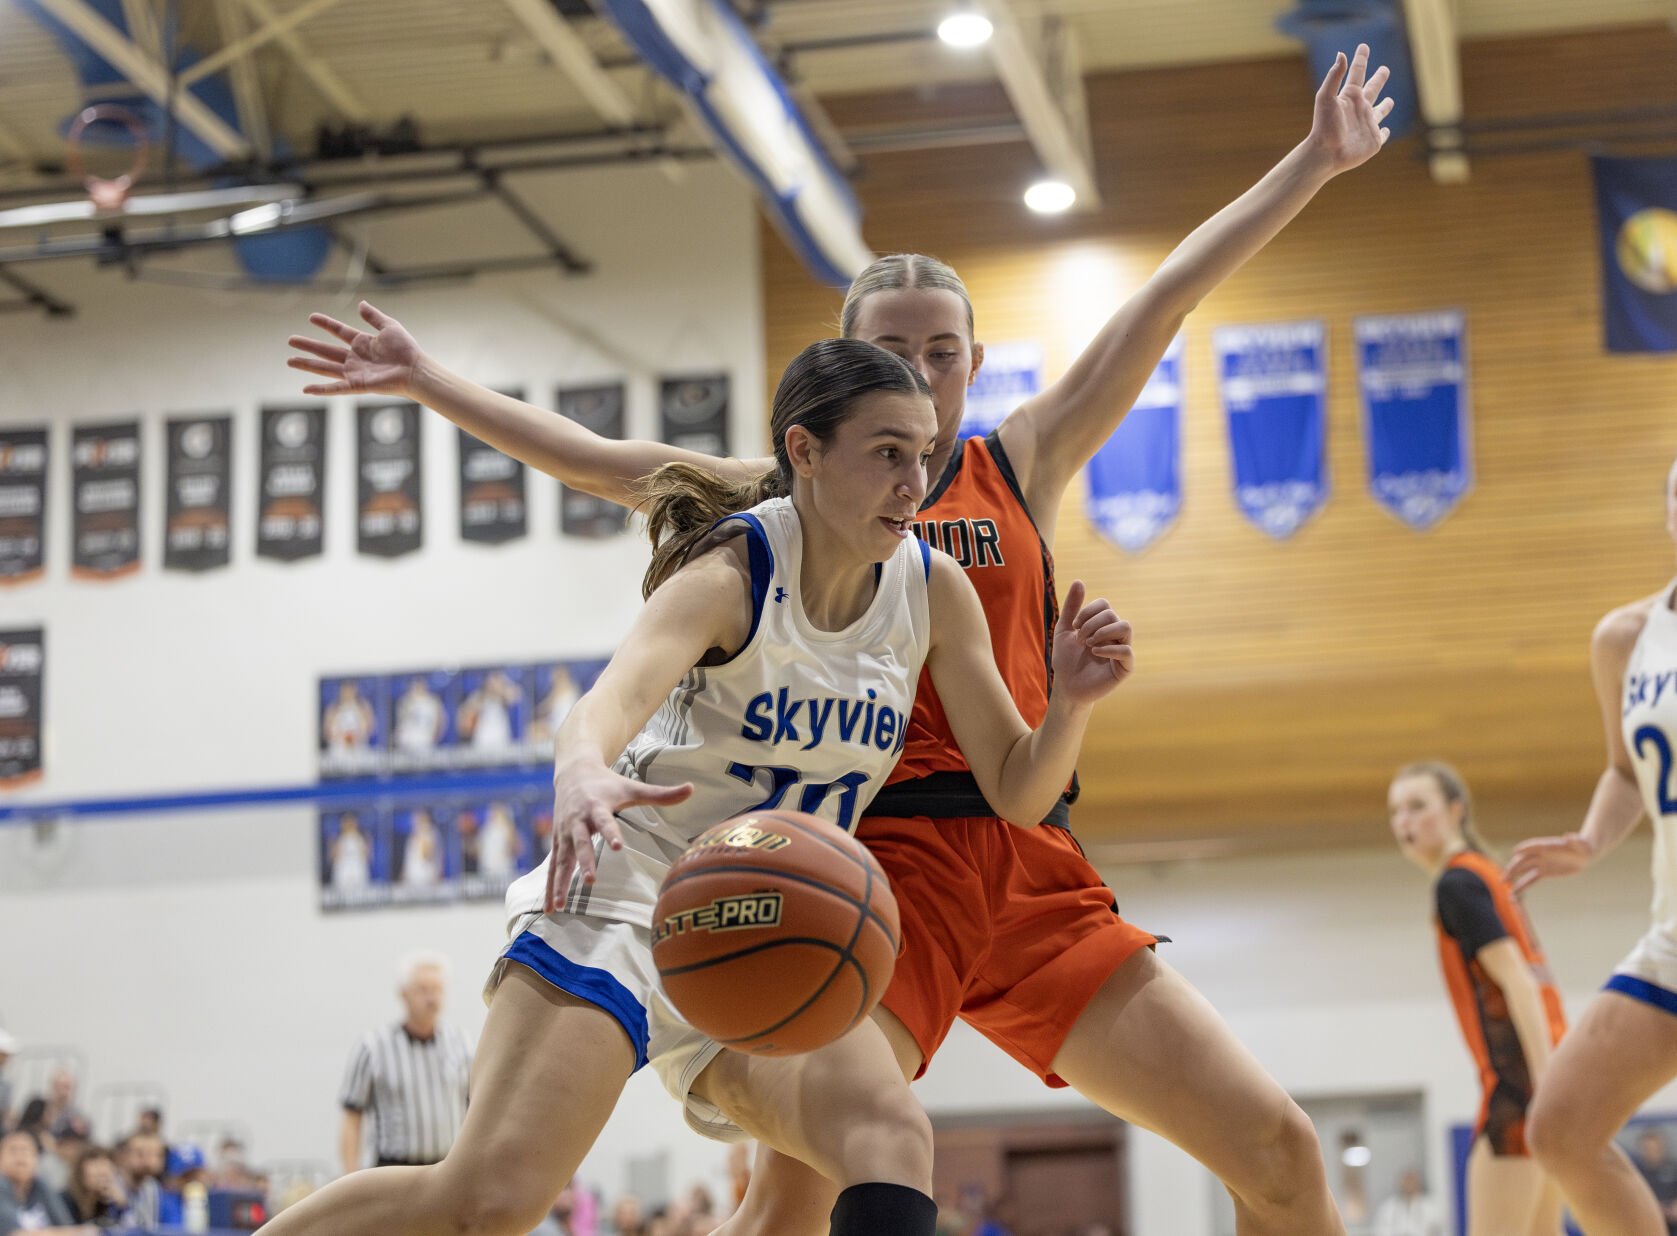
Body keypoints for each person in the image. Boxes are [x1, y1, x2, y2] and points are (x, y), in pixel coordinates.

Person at [287, 46, 1390, 1235]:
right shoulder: (780, 502)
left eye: (942, 353)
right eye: (892, 355)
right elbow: (607, 467)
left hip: (1021, 852)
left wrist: (1314, 165)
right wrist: (434, 383)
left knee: (1275, 1148)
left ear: (972, 363)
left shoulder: (1014, 468)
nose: (918, 375)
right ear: (830, 400)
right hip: (854, 857)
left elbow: (1162, 298)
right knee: (814, 1174)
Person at [261, 339, 1131, 1236]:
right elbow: (604, 706)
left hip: (766, 921)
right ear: (803, 451)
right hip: (631, 898)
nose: (915, 483)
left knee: (886, 1134)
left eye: (922, 454)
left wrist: (1068, 706)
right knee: (486, 1203)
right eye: (885, 453)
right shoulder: (731, 572)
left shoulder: (931, 589)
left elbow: (1018, 792)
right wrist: (582, 776)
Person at [1508, 456, 1677, 1234]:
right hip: (1670, 936)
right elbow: (1622, 768)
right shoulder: (1626, 638)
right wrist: (1588, 841)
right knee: (1561, 1130)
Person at [1388, 763, 1567, 1235]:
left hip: (1520, 1086)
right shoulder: (1487, 875)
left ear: (1455, 810)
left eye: (1417, 806)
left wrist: (1543, 1089)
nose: (1404, 821)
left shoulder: (1458, 884)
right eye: (1396, 811)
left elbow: (1519, 984)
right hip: (1545, 1077)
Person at [338, 951, 472, 1175]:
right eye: (423, 990)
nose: (431, 998)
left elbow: (475, 1106)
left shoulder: (461, 1043)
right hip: (393, 1169)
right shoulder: (373, 1047)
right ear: (403, 994)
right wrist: (350, 1175)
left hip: (447, 1169)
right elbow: (352, 1116)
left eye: (437, 990)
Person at [0, 1129, 88, 1235]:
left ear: (36, 1158)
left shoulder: (41, 1185)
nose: (20, 1156)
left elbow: (69, 1228)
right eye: (13, 1150)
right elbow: (13, 1234)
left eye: (25, 1150)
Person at [60, 1145, 129, 1227]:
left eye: (105, 1176)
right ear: (81, 1175)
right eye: (96, 1177)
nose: (101, 1182)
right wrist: (91, 1199)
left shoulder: (112, 1200)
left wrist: (121, 1204)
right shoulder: (65, 1199)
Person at [1632, 1128, 1677, 1234]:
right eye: (1647, 1148)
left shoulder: (1674, 1168)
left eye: (1655, 1148)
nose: (1652, 1152)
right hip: (1647, 1219)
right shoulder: (1635, 1173)